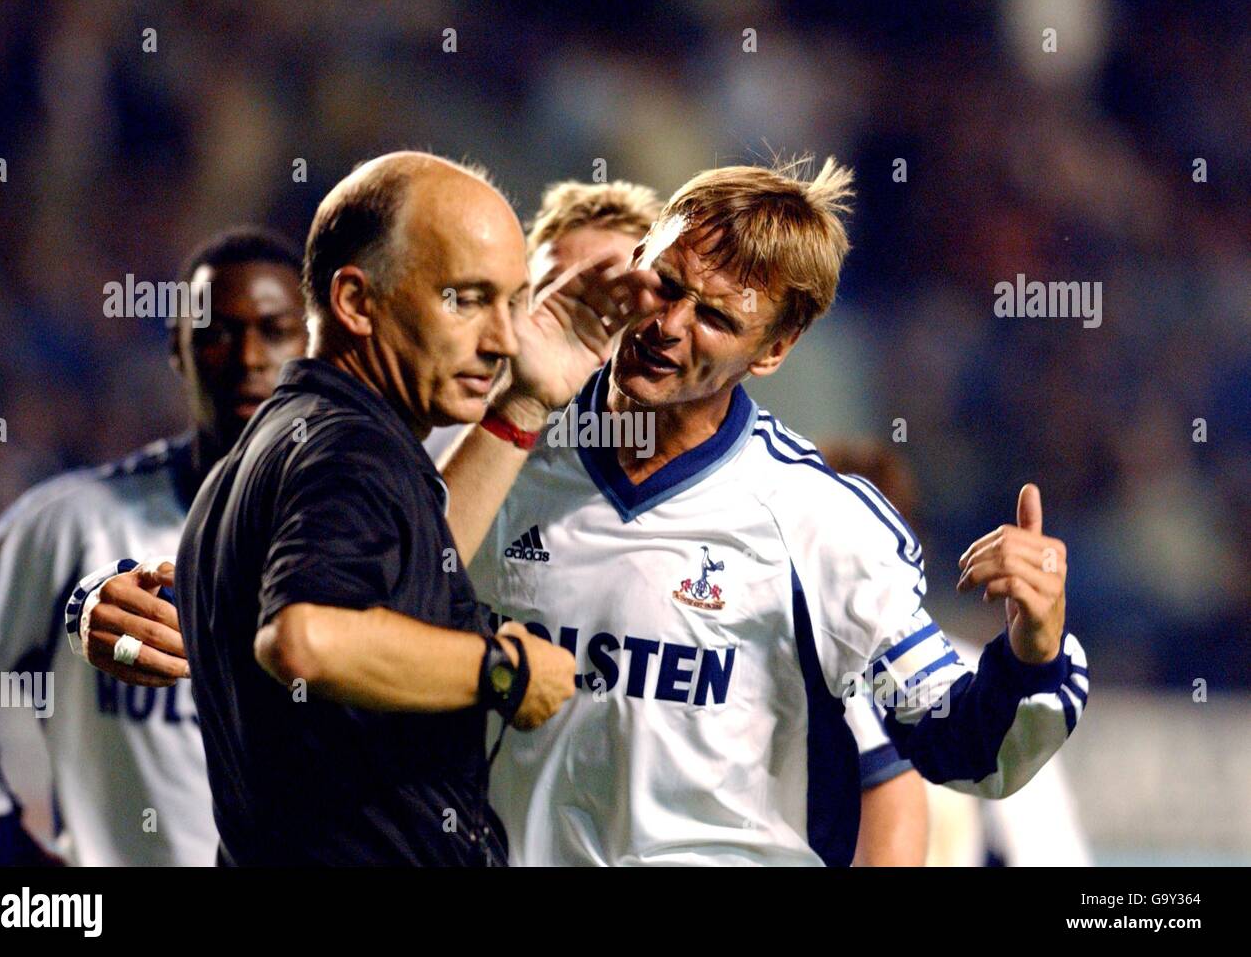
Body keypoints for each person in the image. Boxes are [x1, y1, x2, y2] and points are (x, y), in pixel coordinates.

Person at [74, 175, 929, 866]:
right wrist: (108, 602)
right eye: (524, 299)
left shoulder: (788, 527)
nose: (533, 333)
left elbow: (888, 778)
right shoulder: (458, 434)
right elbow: (302, 570)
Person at [439, 156, 1089, 865]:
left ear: (774, 350)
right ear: (637, 260)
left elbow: (966, 751)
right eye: (665, 284)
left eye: (716, 317)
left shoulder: (822, 523)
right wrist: (516, 410)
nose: (669, 325)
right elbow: (375, 627)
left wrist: (1035, 648)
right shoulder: (498, 454)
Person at [172, 152, 581, 866]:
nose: (504, 341)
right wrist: (504, 669)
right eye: (466, 298)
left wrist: (523, 408)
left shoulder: (277, 443)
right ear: (357, 302)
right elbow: (305, 640)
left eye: (513, 303)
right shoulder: (350, 451)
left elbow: (391, 588)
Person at [0, 227, 308, 865]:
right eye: (218, 332)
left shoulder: (364, 534)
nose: (250, 355)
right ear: (178, 350)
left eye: (276, 330)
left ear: (314, 351)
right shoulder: (77, 526)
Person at [818, 438, 1092, 867]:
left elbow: (1047, 854)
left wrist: (1034, 658)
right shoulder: (764, 669)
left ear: (906, 552)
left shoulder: (974, 692)